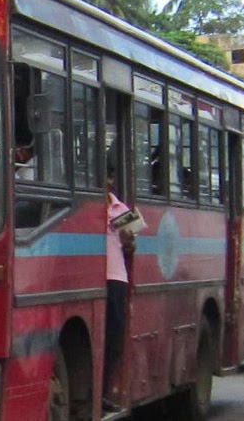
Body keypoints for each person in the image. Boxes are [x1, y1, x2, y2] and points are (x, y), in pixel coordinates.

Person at [103, 170, 136, 412]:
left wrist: (128, 238)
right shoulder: (90, 207)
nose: (108, 181)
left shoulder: (119, 208)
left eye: (110, 177)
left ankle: (105, 391)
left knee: (112, 339)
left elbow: (132, 243)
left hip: (116, 277)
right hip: (95, 277)